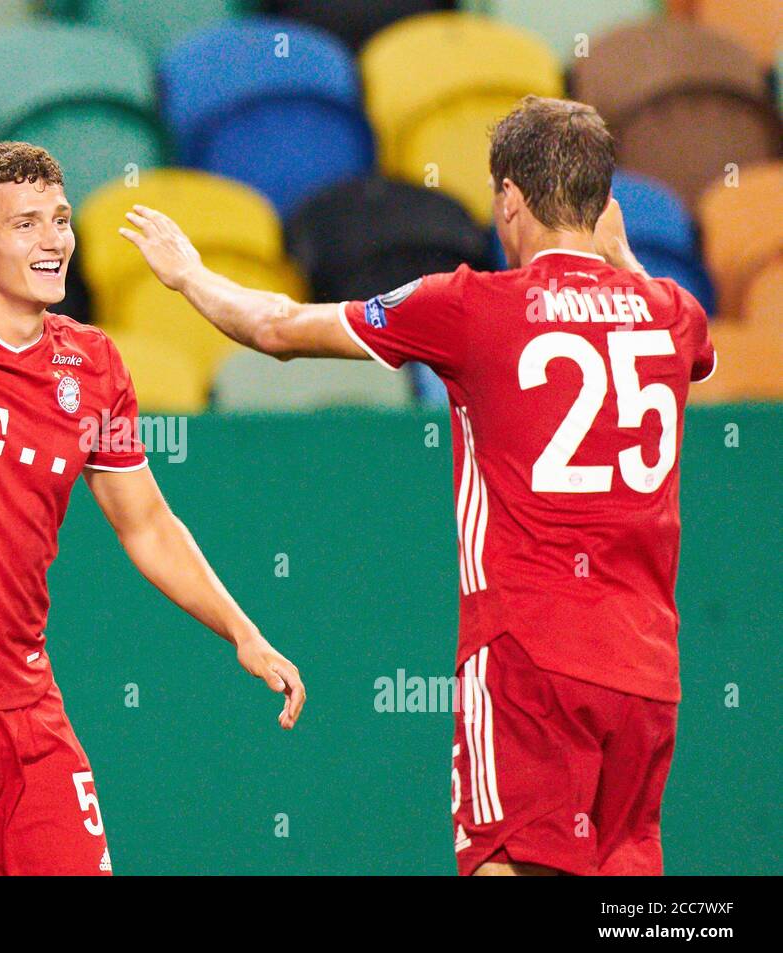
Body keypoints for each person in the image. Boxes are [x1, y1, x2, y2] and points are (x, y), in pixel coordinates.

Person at [119, 96, 715, 877]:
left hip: (528, 654)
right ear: (605, 205)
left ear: (508, 198)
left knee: (502, 859)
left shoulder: (469, 306)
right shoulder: (672, 314)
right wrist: (624, 262)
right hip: (646, 670)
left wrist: (192, 278)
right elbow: (687, 342)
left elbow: (276, 330)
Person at [0, 141, 305, 875]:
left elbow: (148, 524)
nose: (53, 241)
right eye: (26, 224)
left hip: (29, 709)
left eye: (61, 220)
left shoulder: (93, 365)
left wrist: (242, 632)